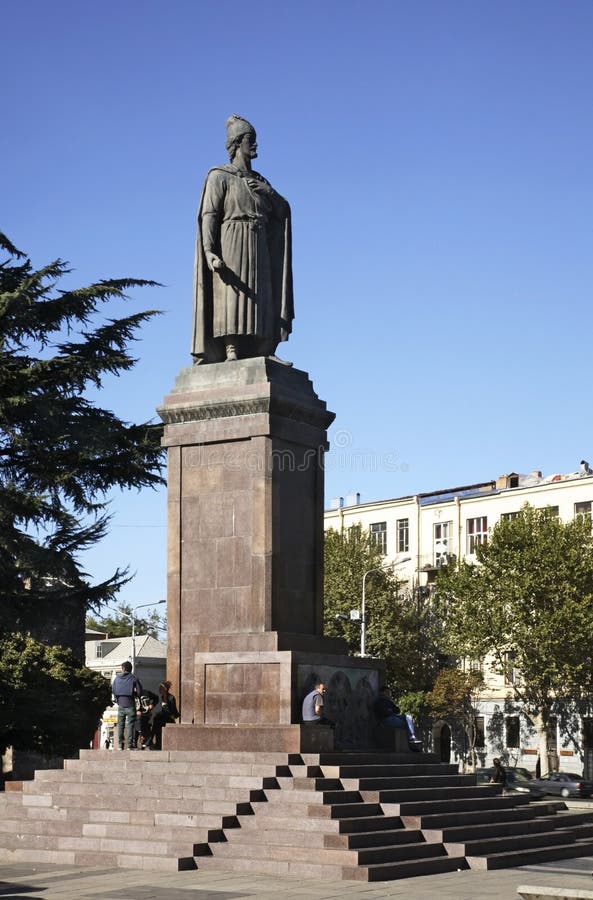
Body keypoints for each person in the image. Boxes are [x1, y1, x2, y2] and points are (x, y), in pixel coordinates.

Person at [192, 114, 294, 365]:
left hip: (259, 245)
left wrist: (270, 194)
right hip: (232, 241)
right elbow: (209, 215)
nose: (255, 145)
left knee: (262, 296)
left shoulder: (261, 182)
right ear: (237, 143)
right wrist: (208, 251)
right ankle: (231, 349)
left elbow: (283, 211)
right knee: (232, 296)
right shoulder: (219, 176)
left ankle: (264, 347)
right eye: (251, 140)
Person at [373, 686, 422, 751]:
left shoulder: (389, 701)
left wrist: (390, 709)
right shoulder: (379, 702)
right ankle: (411, 746)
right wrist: (390, 710)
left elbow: (397, 710)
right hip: (385, 720)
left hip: (394, 717)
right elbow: (383, 712)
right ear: (382, 693)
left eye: (389, 692)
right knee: (405, 724)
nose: (389, 693)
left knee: (408, 717)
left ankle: (412, 737)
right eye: (387, 692)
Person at [112, 660, 142, 750]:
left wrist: (118, 700)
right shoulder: (134, 678)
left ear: (123, 668)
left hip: (120, 705)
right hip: (130, 705)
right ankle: (129, 745)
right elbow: (140, 692)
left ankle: (120, 745)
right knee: (130, 725)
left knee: (120, 725)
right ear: (130, 669)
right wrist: (135, 693)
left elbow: (113, 690)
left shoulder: (117, 678)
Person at [149, 681, 180, 750]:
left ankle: (152, 740)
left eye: (161, 688)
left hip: (169, 718)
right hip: (162, 718)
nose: (159, 689)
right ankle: (156, 742)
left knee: (157, 719)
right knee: (157, 720)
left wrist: (166, 701)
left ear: (165, 689)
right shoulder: (162, 697)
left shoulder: (171, 697)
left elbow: (173, 710)